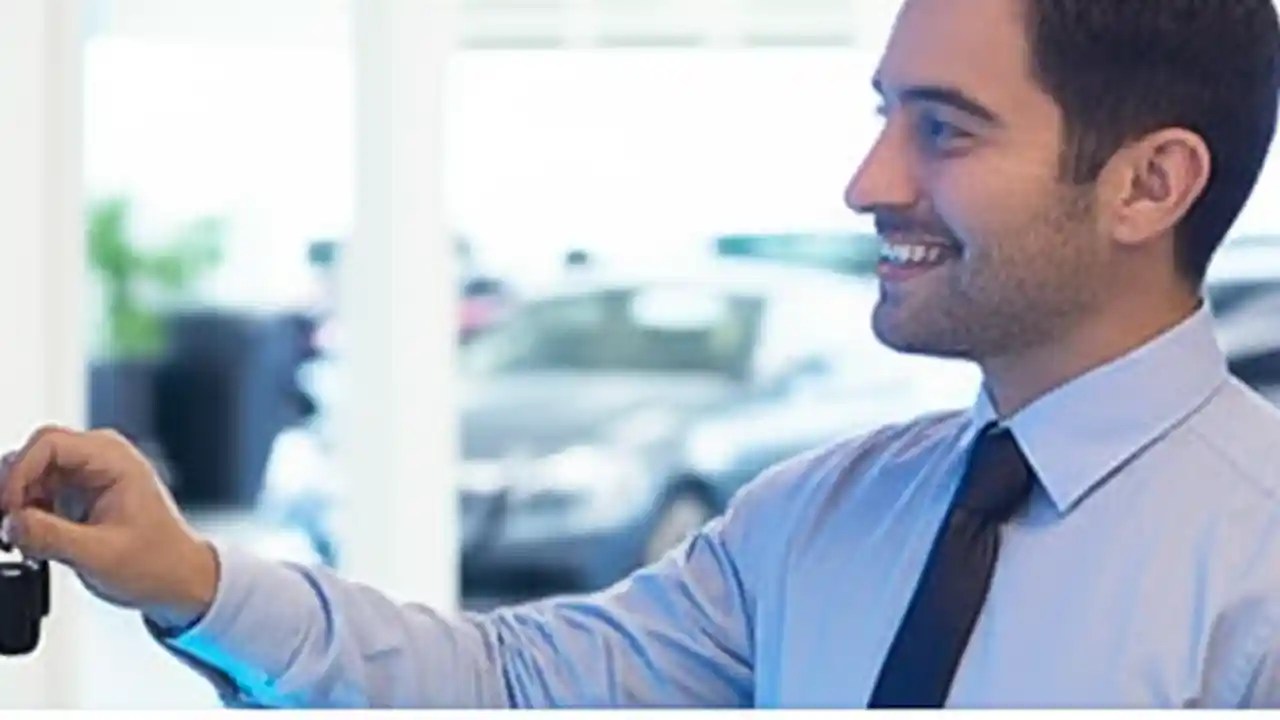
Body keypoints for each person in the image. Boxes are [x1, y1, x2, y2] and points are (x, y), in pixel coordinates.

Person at [3, 0, 1280, 708]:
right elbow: (511, 685)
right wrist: (193, 581)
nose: (865, 182)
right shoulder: (823, 518)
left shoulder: (1254, 573)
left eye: (942, 129)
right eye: (884, 115)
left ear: (1147, 184)